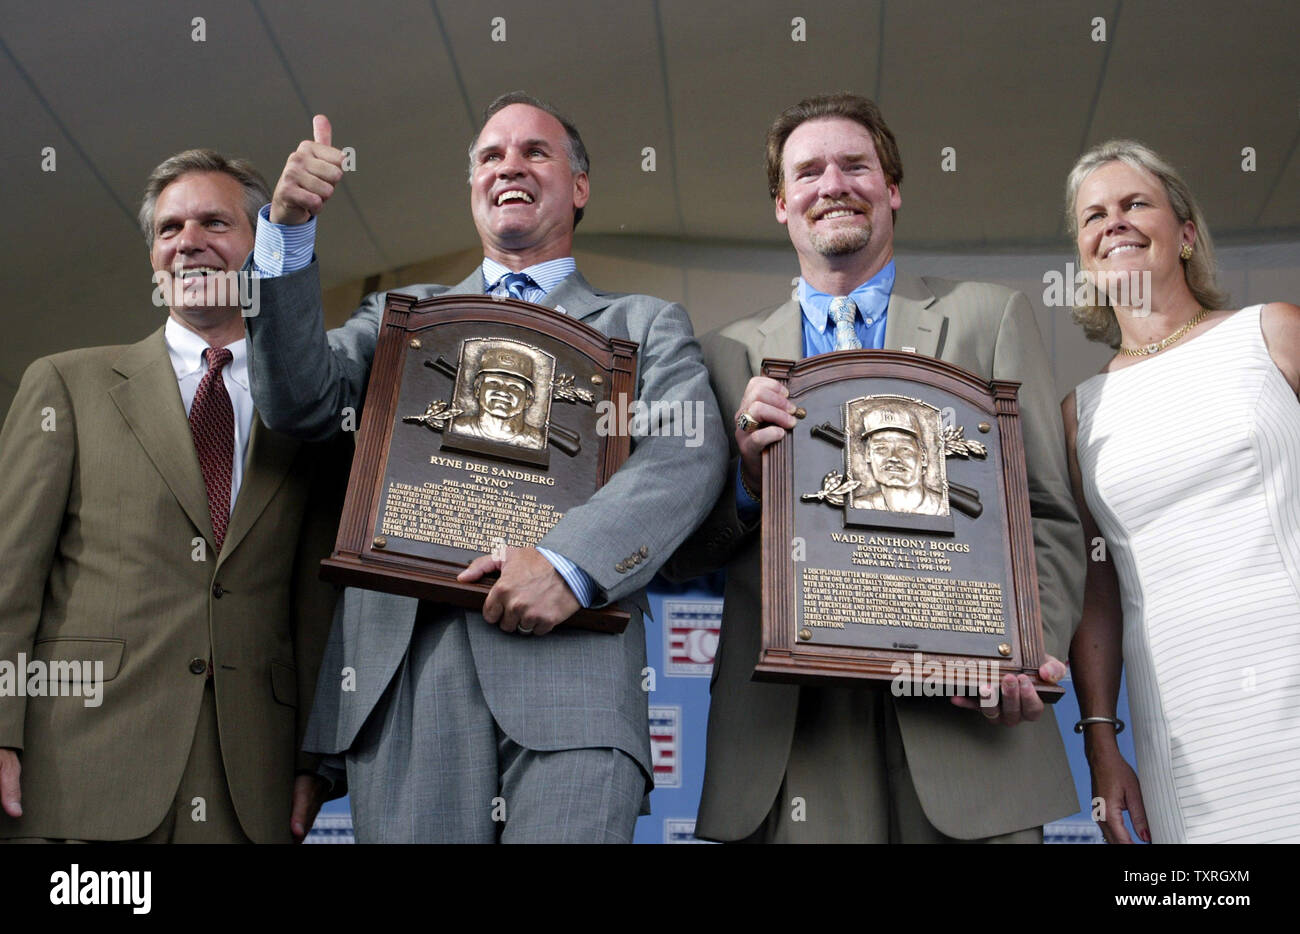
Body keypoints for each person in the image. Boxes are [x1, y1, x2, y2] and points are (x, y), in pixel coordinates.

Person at [246, 92, 725, 843]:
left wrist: (569, 564)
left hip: (576, 681)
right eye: (490, 156)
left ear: (580, 186)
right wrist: (290, 236)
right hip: (408, 684)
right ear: (472, 185)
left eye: (536, 152)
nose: (511, 165)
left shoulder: (642, 325)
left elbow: (683, 453)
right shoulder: (401, 318)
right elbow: (299, 400)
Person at [665, 93, 1085, 843]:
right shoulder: (721, 356)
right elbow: (682, 552)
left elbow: (1047, 513)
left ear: (892, 189)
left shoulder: (988, 318)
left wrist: (1030, 651)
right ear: (781, 203)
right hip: (795, 734)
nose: (834, 184)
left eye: (856, 165)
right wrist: (749, 487)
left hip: (966, 716)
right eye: (809, 171)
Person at [0, 150, 346, 843]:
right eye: (169, 229)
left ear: (259, 246)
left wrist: (317, 755)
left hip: (250, 781)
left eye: (214, 222)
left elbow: (317, 602)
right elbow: (10, 579)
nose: (188, 241)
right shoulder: (68, 385)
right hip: (80, 770)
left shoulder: (312, 409)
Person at [1062, 139, 1300, 844]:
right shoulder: (1080, 413)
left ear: (1187, 233)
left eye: (1136, 203)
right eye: (1094, 215)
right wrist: (1101, 740)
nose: (1116, 222)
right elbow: (1095, 585)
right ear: (1084, 258)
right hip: (1184, 721)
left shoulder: (1276, 334)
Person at [449, 344, 546, 450]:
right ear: (477, 390)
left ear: (528, 399)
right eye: (493, 383)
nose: (503, 392)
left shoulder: (536, 441)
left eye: (514, 387)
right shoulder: (459, 428)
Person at [855, 405, 945, 515]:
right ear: (868, 454)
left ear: (923, 457)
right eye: (881, 448)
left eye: (904, 449)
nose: (893, 457)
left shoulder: (942, 508)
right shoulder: (859, 507)